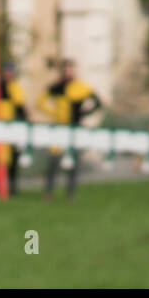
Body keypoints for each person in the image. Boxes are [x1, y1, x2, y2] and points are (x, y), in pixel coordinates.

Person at [37, 59, 102, 200]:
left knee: (74, 161)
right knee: (53, 161)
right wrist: (54, 113)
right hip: (60, 128)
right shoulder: (57, 87)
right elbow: (40, 102)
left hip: (75, 128)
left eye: (71, 70)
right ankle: (48, 192)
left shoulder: (81, 87)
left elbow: (98, 102)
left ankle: (70, 193)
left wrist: (84, 113)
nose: (69, 73)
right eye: (66, 70)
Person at [0, 62, 29, 195]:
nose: (8, 74)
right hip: (0, 125)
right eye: (6, 71)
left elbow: (20, 106)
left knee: (13, 159)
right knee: (0, 158)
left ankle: (12, 187)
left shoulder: (15, 87)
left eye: (10, 71)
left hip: (14, 126)